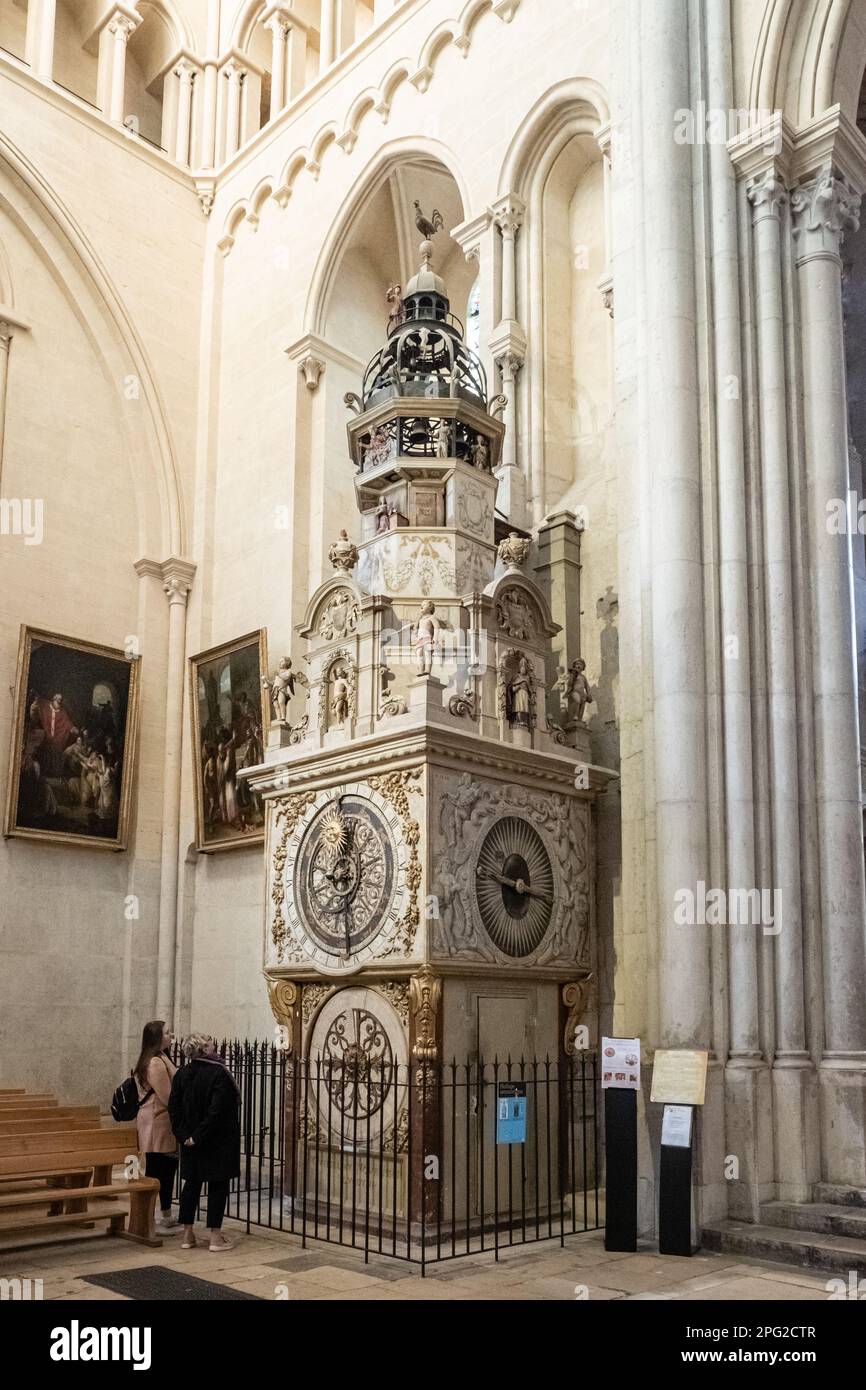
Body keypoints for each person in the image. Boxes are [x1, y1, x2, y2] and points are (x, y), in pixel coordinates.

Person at [169, 1034, 241, 1252]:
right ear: (203, 1050)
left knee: (191, 1184)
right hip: (216, 1141)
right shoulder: (219, 1073)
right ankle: (215, 1238)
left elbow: (174, 1108)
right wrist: (199, 1135)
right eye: (209, 1043)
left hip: (191, 1140)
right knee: (218, 1185)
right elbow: (217, 1111)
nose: (214, 1044)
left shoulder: (182, 1073)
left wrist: (185, 1136)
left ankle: (187, 1235)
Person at [134, 1021, 179, 1233]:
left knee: (164, 1169)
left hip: (158, 1122)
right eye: (167, 1032)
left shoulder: (159, 1058)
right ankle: (152, 1216)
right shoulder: (155, 1063)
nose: (171, 1035)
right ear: (157, 1038)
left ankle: (164, 1215)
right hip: (156, 1122)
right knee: (159, 1170)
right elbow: (168, 1096)